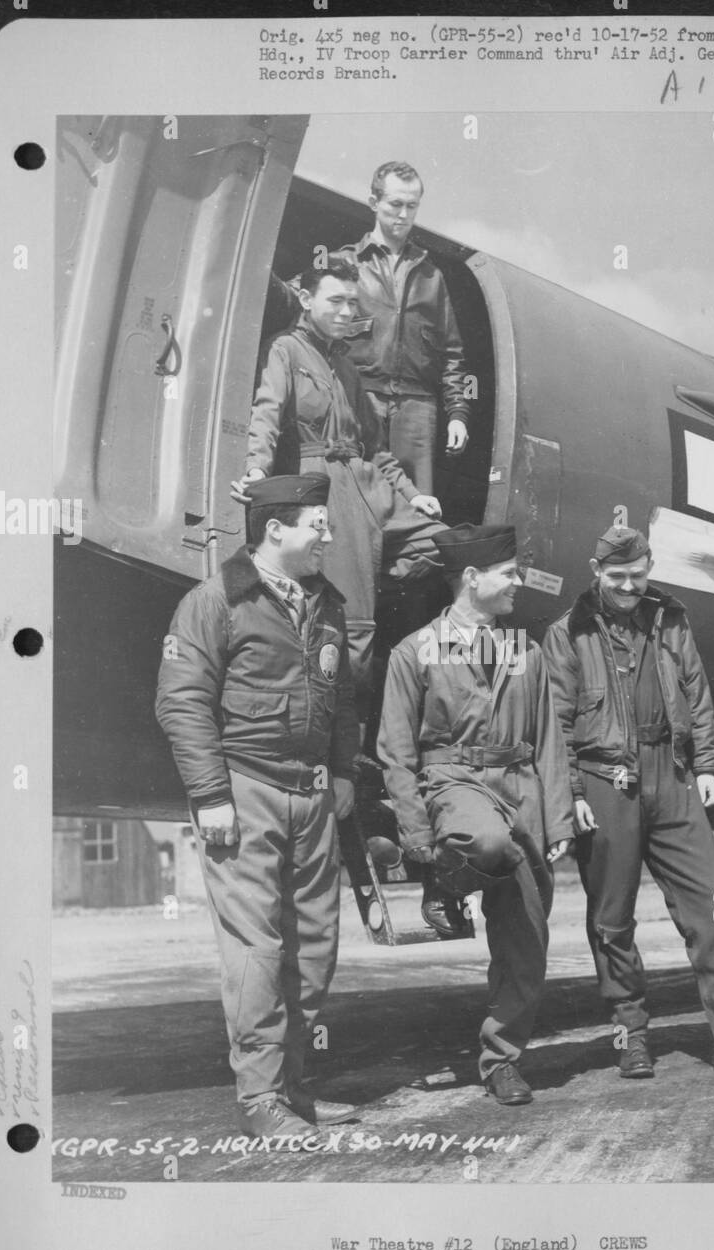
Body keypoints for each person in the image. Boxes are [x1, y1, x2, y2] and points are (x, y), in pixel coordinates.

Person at [155, 474, 361, 1139]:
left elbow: (344, 696)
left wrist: (344, 769)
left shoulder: (326, 603)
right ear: (276, 530)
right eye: (318, 525)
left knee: (313, 949)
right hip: (245, 792)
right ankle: (261, 1100)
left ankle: (294, 1089)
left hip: (313, 794)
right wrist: (211, 795)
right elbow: (181, 703)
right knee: (256, 951)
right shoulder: (215, 601)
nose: (328, 535)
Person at [542, 525, 714, 1080]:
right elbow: (555, 720)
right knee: (611, 919)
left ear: (650, 570)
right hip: (605, 779)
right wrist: (572, 792)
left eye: (638, 575)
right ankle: (631, 1037)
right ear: (597, 572)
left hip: (672, 774)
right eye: (617, 576)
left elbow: (696, 693)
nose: (628, 586)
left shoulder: (671, 619)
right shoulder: (566, 633)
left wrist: (709, 765)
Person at [377, 524, 574, 1105]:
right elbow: (396, 751)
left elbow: (550, 742)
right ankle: (444, 871)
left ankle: (501, 1060)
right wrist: (416, 835)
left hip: (523, 788)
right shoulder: (412, 653)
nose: (518, 582)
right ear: (471, 579)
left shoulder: (528, 652)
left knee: (526, 942)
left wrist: (557, 820)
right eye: (508, 573)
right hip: (453, 780)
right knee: (486, 842)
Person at [234, 253, 445, 720]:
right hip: (325, 485)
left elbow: (378, 448)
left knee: (445, 544)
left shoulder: (348, 368)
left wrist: (414, 496)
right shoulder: (285, 349)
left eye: (354, 302)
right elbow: (267, 413)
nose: (348, 312)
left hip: (369, 486)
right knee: (353, 629)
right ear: (307, 300)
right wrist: (256, 468)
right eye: (337, 301)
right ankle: (338, 742)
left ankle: (348, 582)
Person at [338, 160, 470, 495]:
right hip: (357, 399)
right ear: (374, 203)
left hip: (416, 410)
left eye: (412, 206)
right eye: (395, 204)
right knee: (354, 499)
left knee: (415, 509)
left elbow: (454, 356)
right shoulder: (345, 264)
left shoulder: (432, 277)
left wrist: (458, 414)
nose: (403, 214)